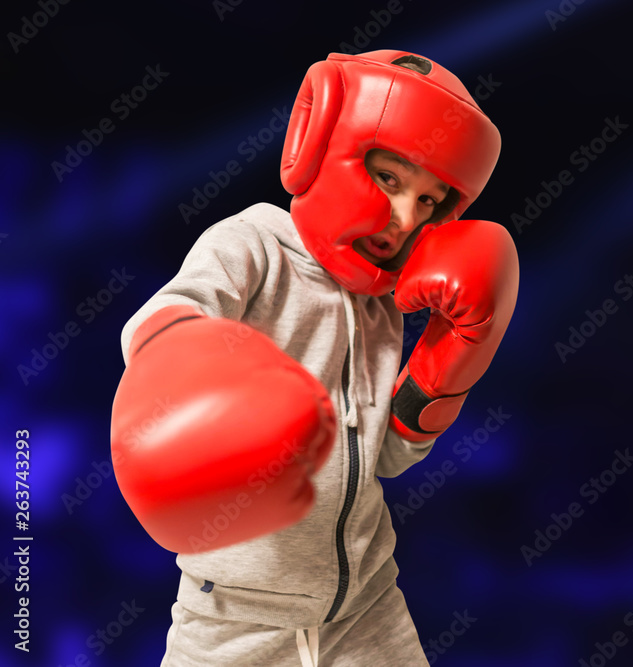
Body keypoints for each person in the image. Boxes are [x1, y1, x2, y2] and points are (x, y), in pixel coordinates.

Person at [109, 50, 519, 666]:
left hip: (367, 606)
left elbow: (385, 457)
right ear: (323, 145)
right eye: (390, 178)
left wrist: (444, 368)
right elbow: (160, 324)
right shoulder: (252, 245)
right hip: (235, 617)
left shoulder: (384, 305)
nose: (407, 217)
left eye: (431, 201)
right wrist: (205, 391)